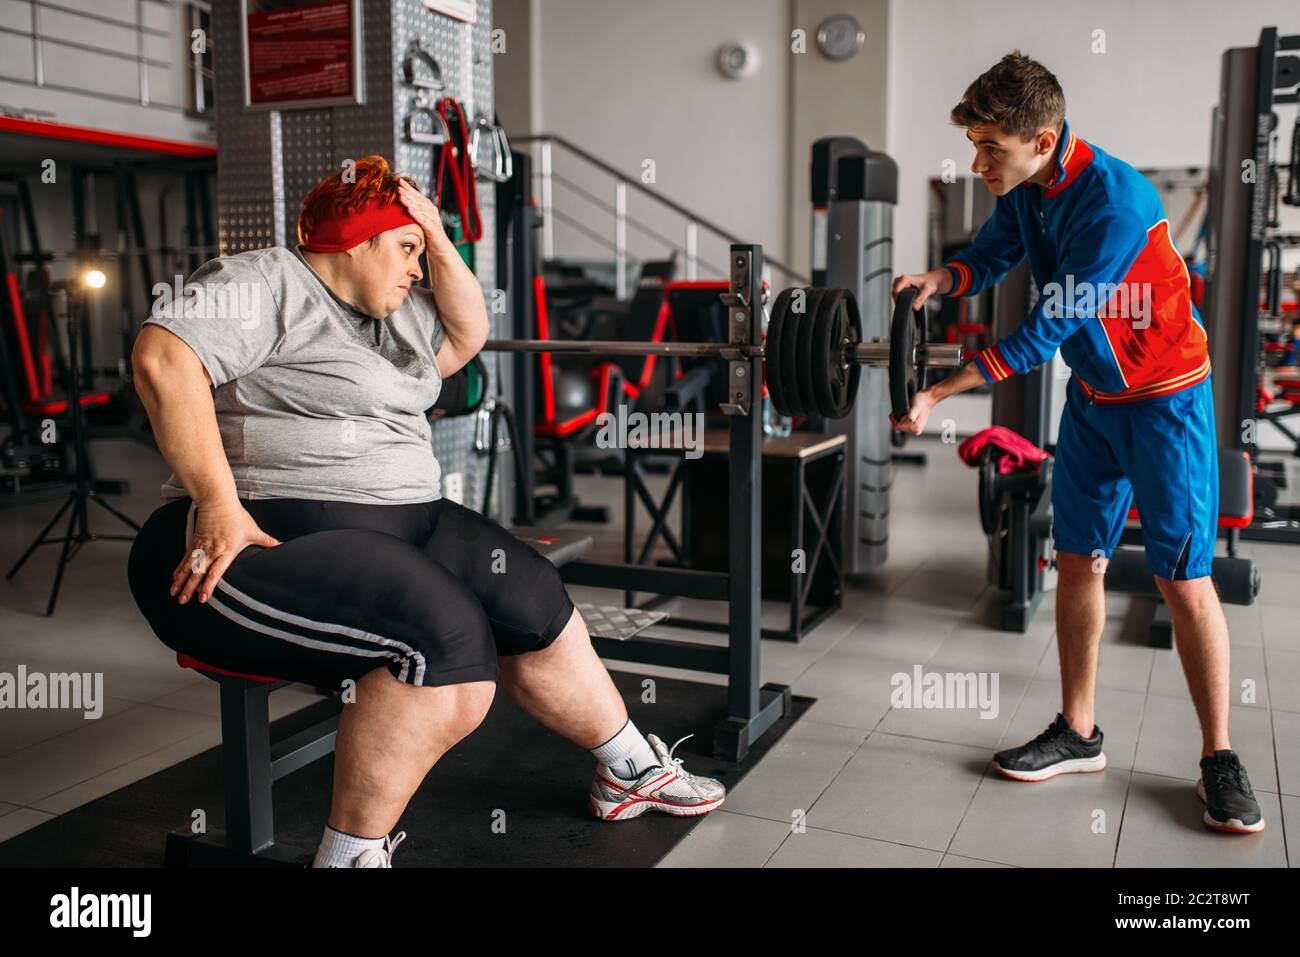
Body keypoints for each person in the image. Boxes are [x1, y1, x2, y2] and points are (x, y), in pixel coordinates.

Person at [127, 156, 725, 868]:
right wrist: (218, 504)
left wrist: (437, 239)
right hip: (246, 538)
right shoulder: (267, 281)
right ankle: (349, 857)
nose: (418, 269)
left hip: (403, 521)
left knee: (533, 596)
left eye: (422, 253)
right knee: (446, 645)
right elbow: (162, 358)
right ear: (355, 239)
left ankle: (629, 770)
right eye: (406, 248)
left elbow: (468, 336)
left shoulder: (397, 319)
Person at [891, 53, 1263, 833]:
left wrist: (935, 392)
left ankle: (1219, 757)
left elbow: (1046, 327)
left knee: (1184, 580)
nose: (977, 159)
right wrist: (939, 279)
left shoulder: (1117, 203)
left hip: (1165, 402)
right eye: (976, 144)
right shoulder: (1028, 189)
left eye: (992, 145)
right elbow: (993, 256)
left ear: (1045, 138)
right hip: (1095, 402)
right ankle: (1079, 730)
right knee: (1075, 561)